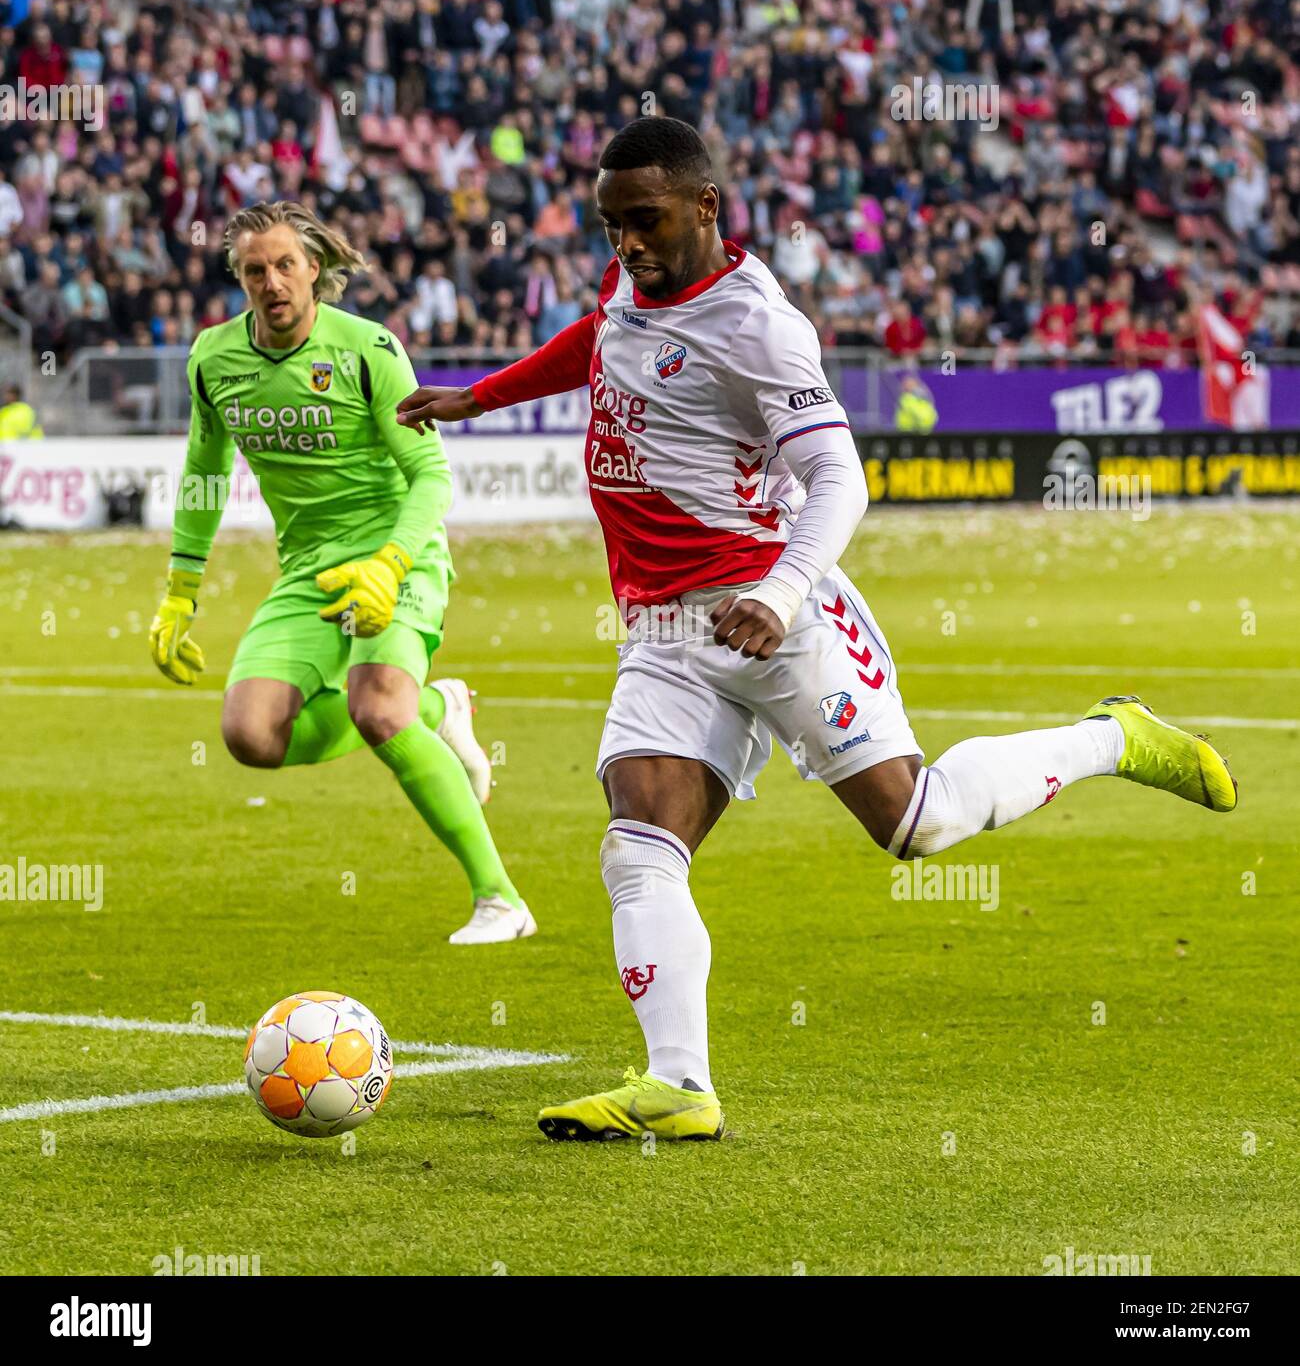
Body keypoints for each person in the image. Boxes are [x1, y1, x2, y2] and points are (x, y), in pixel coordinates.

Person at [398, 118, 1237, 1139]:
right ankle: (679, 1083)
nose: (625, 245)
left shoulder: (759, 329)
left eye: (646, 221)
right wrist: (479, 396)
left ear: (707, 206)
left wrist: (784, 593)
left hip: (772, 614)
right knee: (637, 844)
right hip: (663, 631)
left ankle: (1113, 735)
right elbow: (602, 339)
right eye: (611, 224)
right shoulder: (637, 283)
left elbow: (842, 478)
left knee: (915, 824)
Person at [149, 200, 535, 945]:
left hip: (401, 552)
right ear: (240, 278)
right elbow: (203, 472)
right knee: (249, 734)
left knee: (375, 708)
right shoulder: (213, 359)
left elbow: (430, 476)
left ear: (314, 269)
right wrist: (179, 592)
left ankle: (500, 900)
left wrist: (393, 564)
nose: (272, 282)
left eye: (285, 265)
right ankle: (438, 712)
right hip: (308, 570)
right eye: (255, 270)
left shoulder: (368, 349)